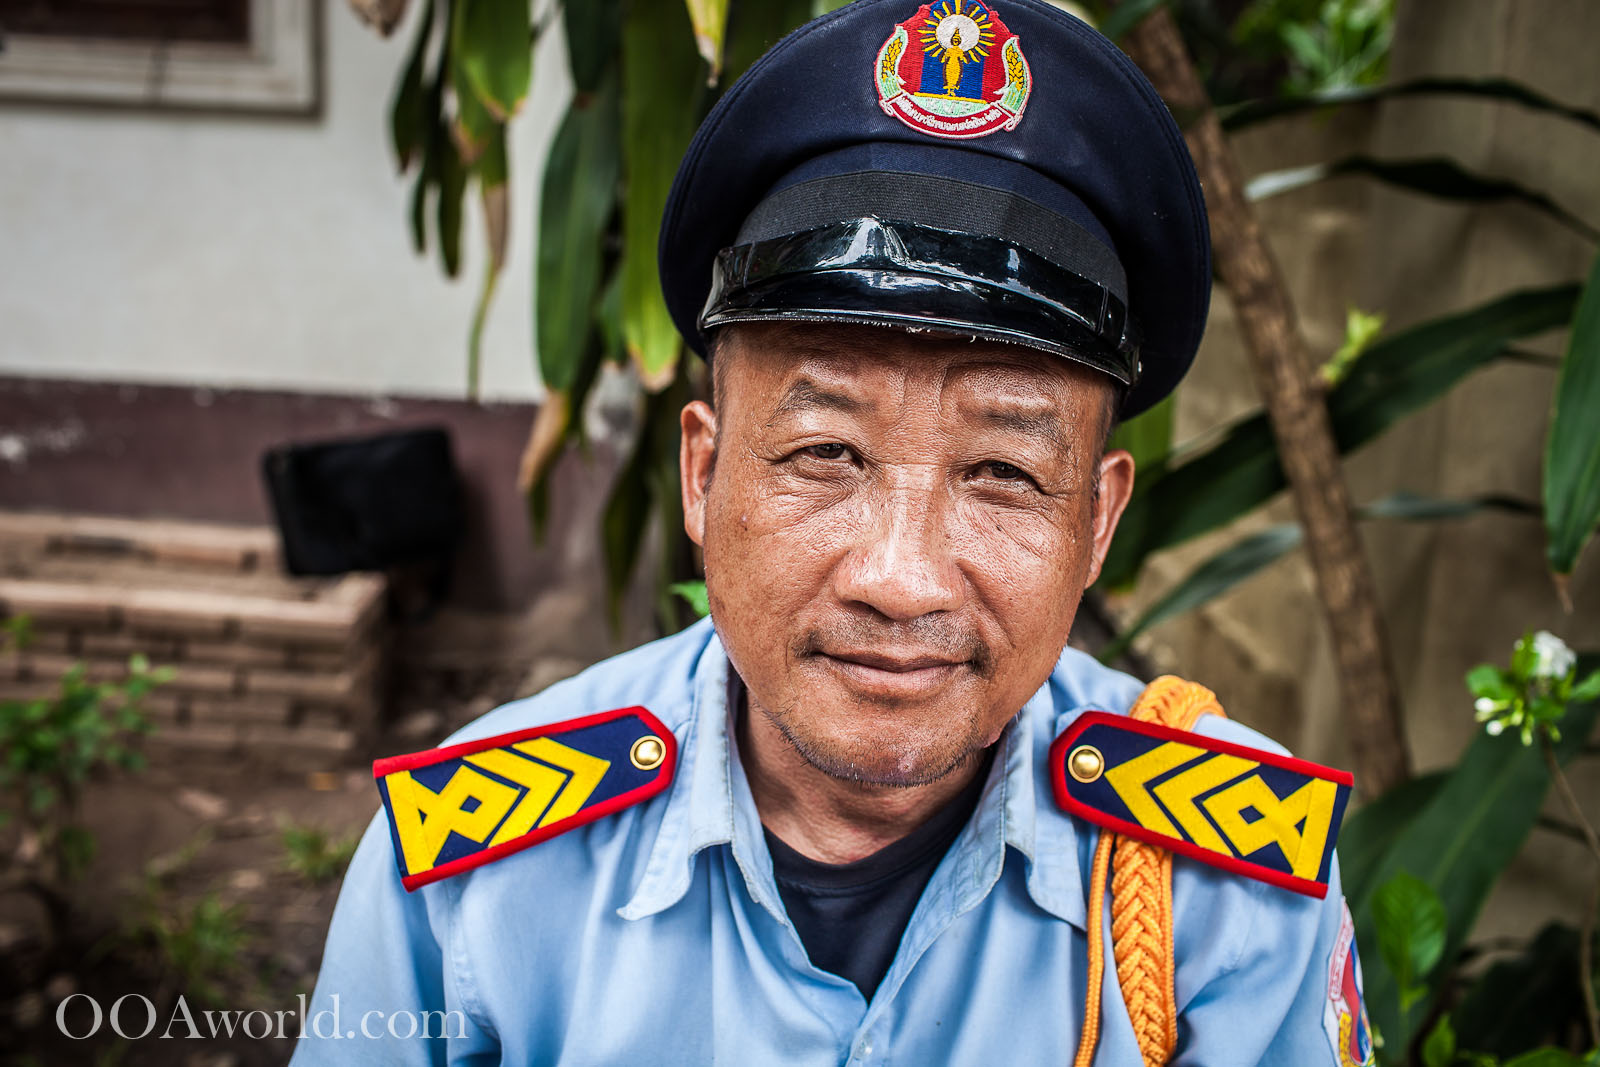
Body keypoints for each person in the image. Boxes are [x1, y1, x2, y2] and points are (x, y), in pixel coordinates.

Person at [293, 1, 1374, 1064]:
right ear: (704, 473)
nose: (900, 581)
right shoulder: (474, 876)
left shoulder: (1223, 901)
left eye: (1002, 471)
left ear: (1096, 522)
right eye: (825, 453)